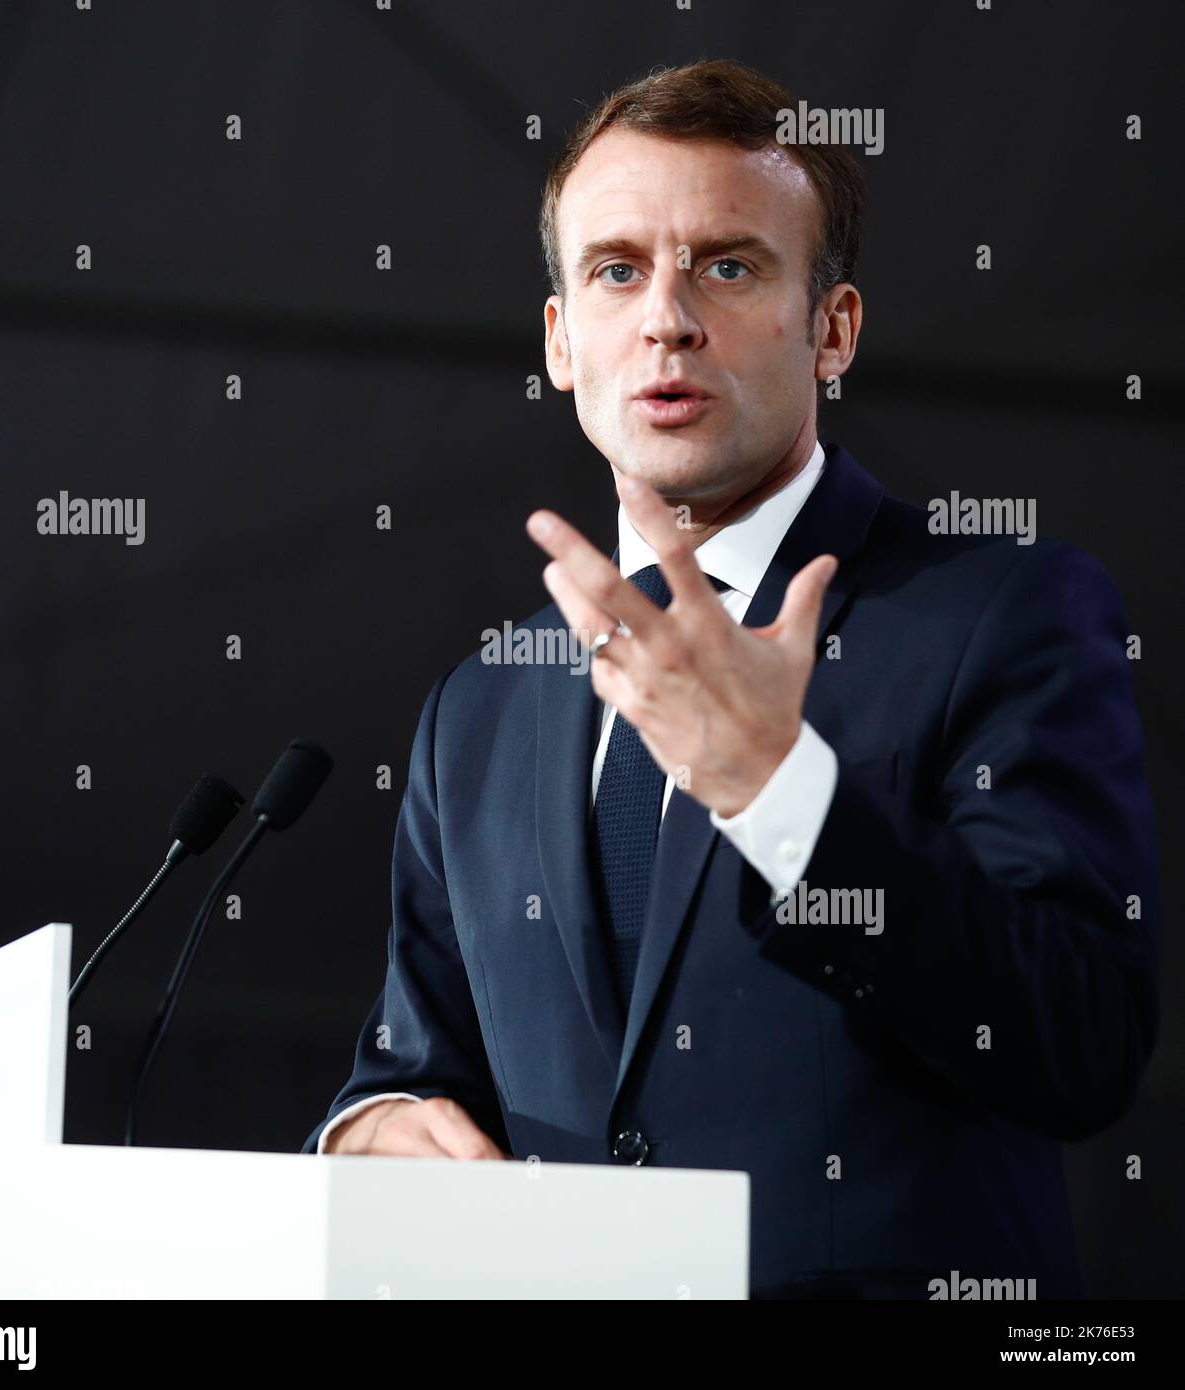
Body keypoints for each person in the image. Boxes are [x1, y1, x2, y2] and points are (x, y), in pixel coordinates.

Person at [302, 59, 1159, 1299]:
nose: (666, 316)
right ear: (559, 340)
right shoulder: (476, 712)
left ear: (832, 329)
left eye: (728, 264)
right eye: (615, 271)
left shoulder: (1006, 615)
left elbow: (1079, 1043)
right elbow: (413, 1060)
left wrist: (780, 792)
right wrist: (367, 1130)